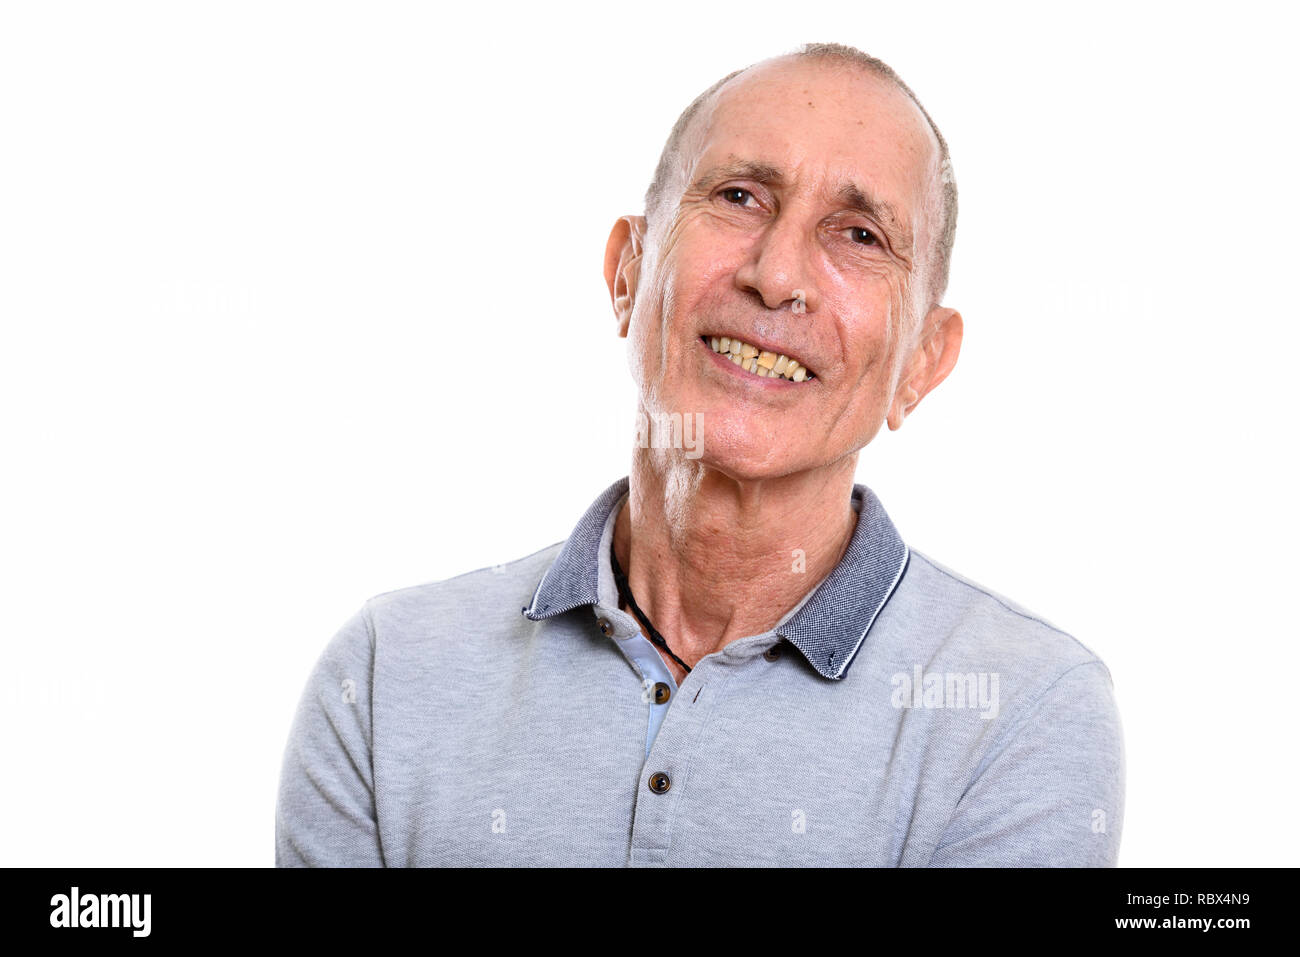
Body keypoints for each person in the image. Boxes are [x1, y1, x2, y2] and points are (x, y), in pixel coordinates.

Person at [275, 41, 1124, 867]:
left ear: (922, 364)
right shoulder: (388, 676)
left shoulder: (1023, 710)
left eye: (860, 235)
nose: (777, 273)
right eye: (741, 196)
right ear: (627, 272)